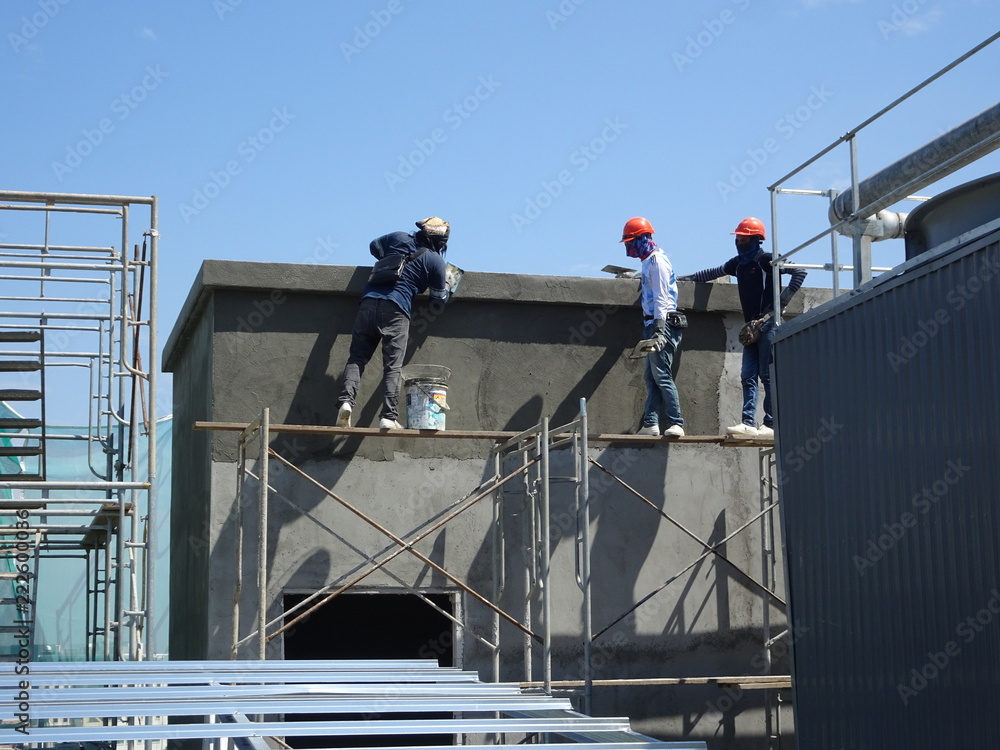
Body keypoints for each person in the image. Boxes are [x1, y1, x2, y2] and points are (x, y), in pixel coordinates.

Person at [679, 217, 807, 439]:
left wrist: (779, 306)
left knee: (768, 376)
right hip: (751, 330)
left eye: (744, 237)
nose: (739, 241)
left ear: (756, 239)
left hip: (769, 325)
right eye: (738, 237)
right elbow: (710, 274)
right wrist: (679, 279)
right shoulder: (738, 263)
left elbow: (800, 271)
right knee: (748, 376)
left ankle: (771, 424)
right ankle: (748, 422)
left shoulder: (766, 259)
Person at [336, 216, 451, 430]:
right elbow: (437, 300)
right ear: (442, 240)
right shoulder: (436, 262)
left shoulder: (398, 237)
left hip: (368, 303)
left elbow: (374, 247)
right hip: (396, 309)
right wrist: (445, 288)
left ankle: (346, 402)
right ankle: (388, 416)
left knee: (357, 358)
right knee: (392, 366)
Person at [620, 217, 685, 438]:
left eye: (631, 241)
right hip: (653, 324)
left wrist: (658, 330)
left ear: (642, 238)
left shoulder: (657, 262)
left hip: (661, 324)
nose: (629, 247)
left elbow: (661, 299)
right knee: (651, 377)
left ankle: (676, 422)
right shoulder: (648, 262)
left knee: (662, 375)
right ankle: (650, 423)